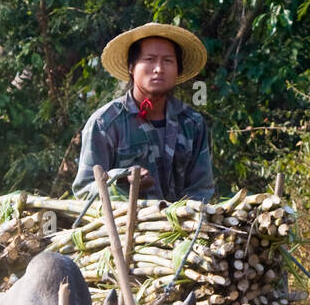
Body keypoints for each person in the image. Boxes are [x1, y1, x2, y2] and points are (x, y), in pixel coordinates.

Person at [73, 22, 215, 203]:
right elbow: (84, 190)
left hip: (183, 227)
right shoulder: (105, 123)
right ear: (131, 67)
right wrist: (121, 180)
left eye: (168, 61)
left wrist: (185, 218)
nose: (159, 69)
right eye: (149, 59)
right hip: (123, 228)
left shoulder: (192, 123)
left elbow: (201, 189)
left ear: (178, 70)